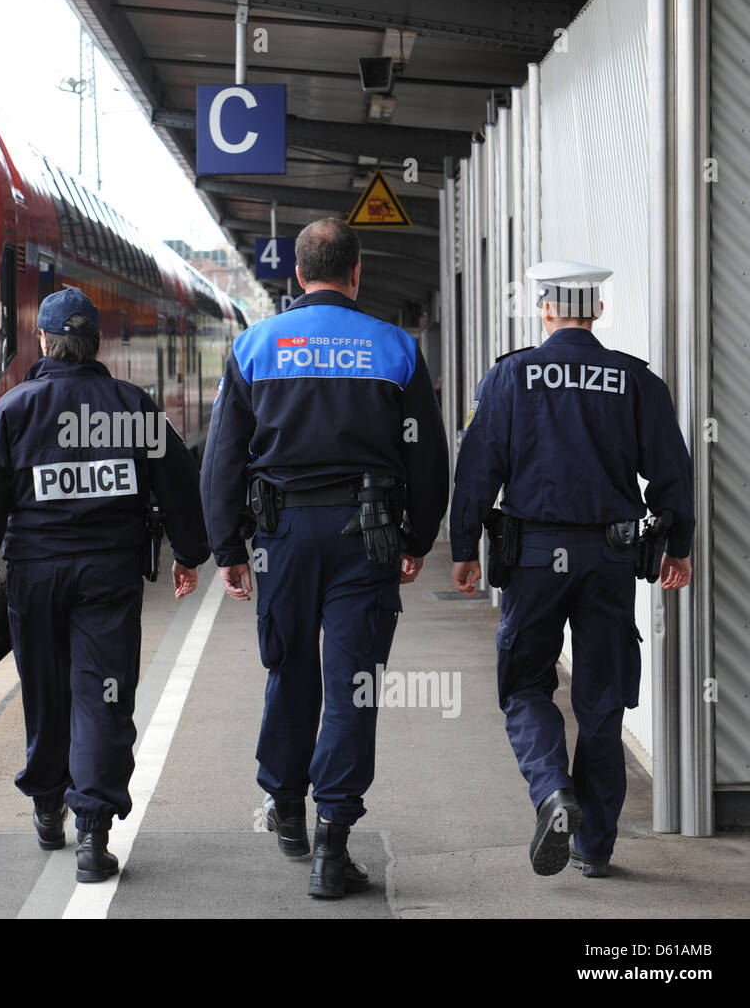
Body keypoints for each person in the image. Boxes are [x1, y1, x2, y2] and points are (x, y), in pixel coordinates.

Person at [201, 217, 449, 899]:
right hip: (363, 539)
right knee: (352, 686)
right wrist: (419, 537)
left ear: (300, 275)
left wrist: (228, 546)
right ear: (357, 272)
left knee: (289, 670)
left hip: (281, 540)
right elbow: (427, 456)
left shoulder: (255, 347)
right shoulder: (395, 348)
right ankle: (332, 845)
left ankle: (285, 804)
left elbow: (223, 455)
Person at [449, 260, 694, 879]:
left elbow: (478, 469)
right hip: (609, 559)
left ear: (546, 309)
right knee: (603, 700)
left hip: (531, 559)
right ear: (598, 310)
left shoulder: (510, 376)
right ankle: (595, 846)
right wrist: (679, 544)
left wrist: (461, 548)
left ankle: (553, 791)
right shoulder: (636, 382)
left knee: (528, 684)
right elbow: (672, 471)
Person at [0, 287, 210, 884]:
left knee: (45, 691)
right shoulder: (134, 408)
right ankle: (93, 835)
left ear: (43, 340)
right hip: (109, 577)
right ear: (98, 342)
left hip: (34, 576)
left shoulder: (12, 411)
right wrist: (192, 555)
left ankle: (48, 807)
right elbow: (179, 483)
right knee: (104, 697)